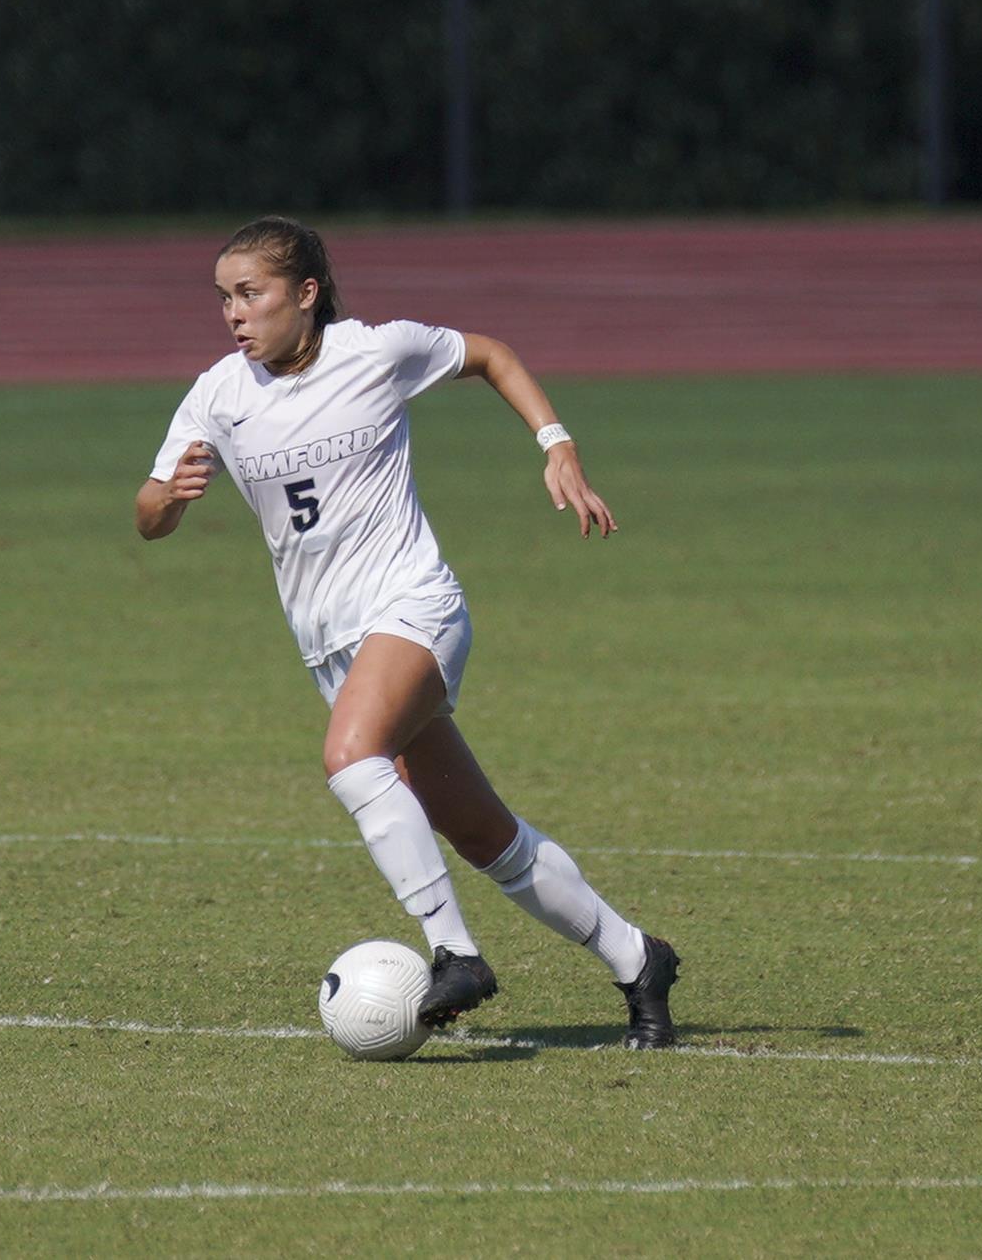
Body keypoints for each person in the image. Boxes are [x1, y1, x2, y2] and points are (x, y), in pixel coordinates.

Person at [134, 216, 681, 1048]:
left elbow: (491, 354)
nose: (233, 314)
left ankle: (456, 952)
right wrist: (170, 496)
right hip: (331, 648)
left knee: (349, 755)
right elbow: (147, 517)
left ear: (306, 294)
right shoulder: (219, 392)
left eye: (250, 293)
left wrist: (557, 443)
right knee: (485, 836)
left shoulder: (374, 351)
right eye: (223, 298)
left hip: (414, 607)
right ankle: (638, 958)